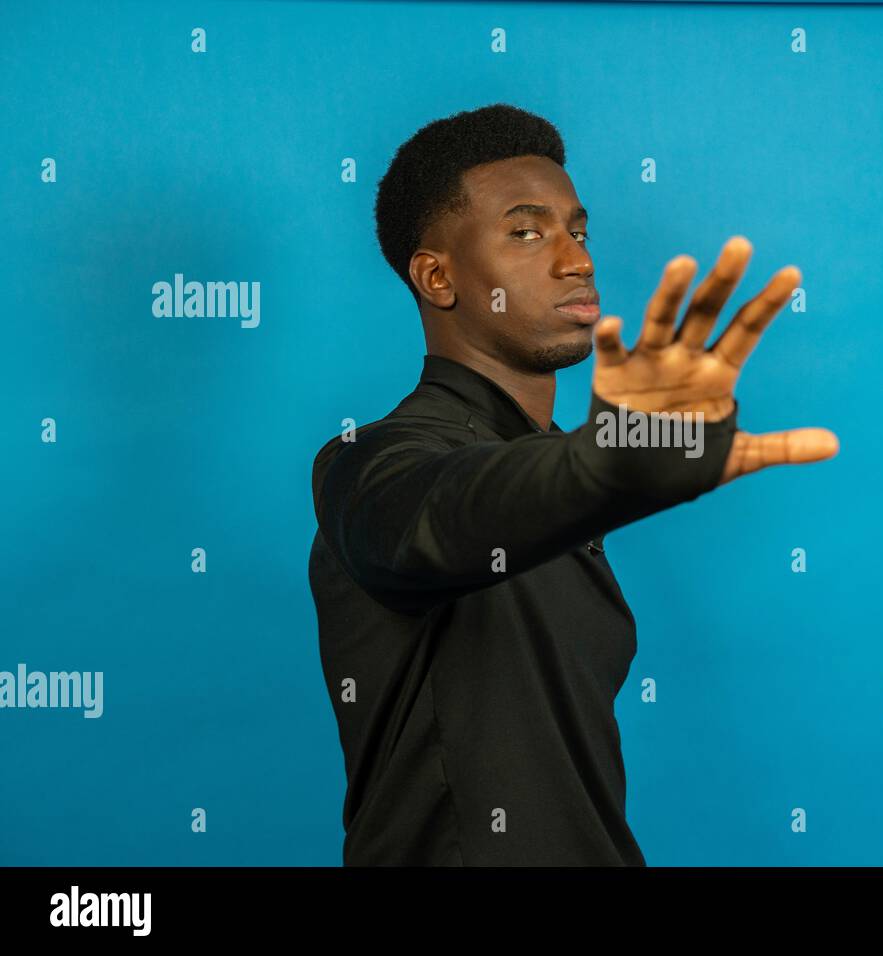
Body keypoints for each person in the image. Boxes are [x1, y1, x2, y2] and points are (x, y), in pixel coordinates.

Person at [308, 103, 838, 865]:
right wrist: (604, 462)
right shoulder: (371, 460)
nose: (576, 260)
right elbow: (437, 515)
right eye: (526, 232)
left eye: (577, 231)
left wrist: (608, 460)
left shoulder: (559, 470)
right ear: (437, 275)